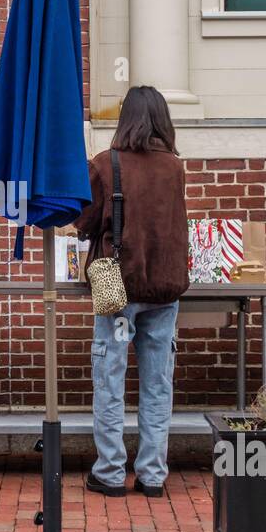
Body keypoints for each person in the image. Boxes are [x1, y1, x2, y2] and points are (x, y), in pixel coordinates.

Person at [75, 85, 189, 499]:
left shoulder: (106, 165)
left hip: (115, 283)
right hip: (164, 286)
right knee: (158, 383)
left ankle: (109, 472)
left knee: (110, 379)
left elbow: (83, 222)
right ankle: (152, 474)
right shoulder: (174, 168)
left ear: (126, 120)